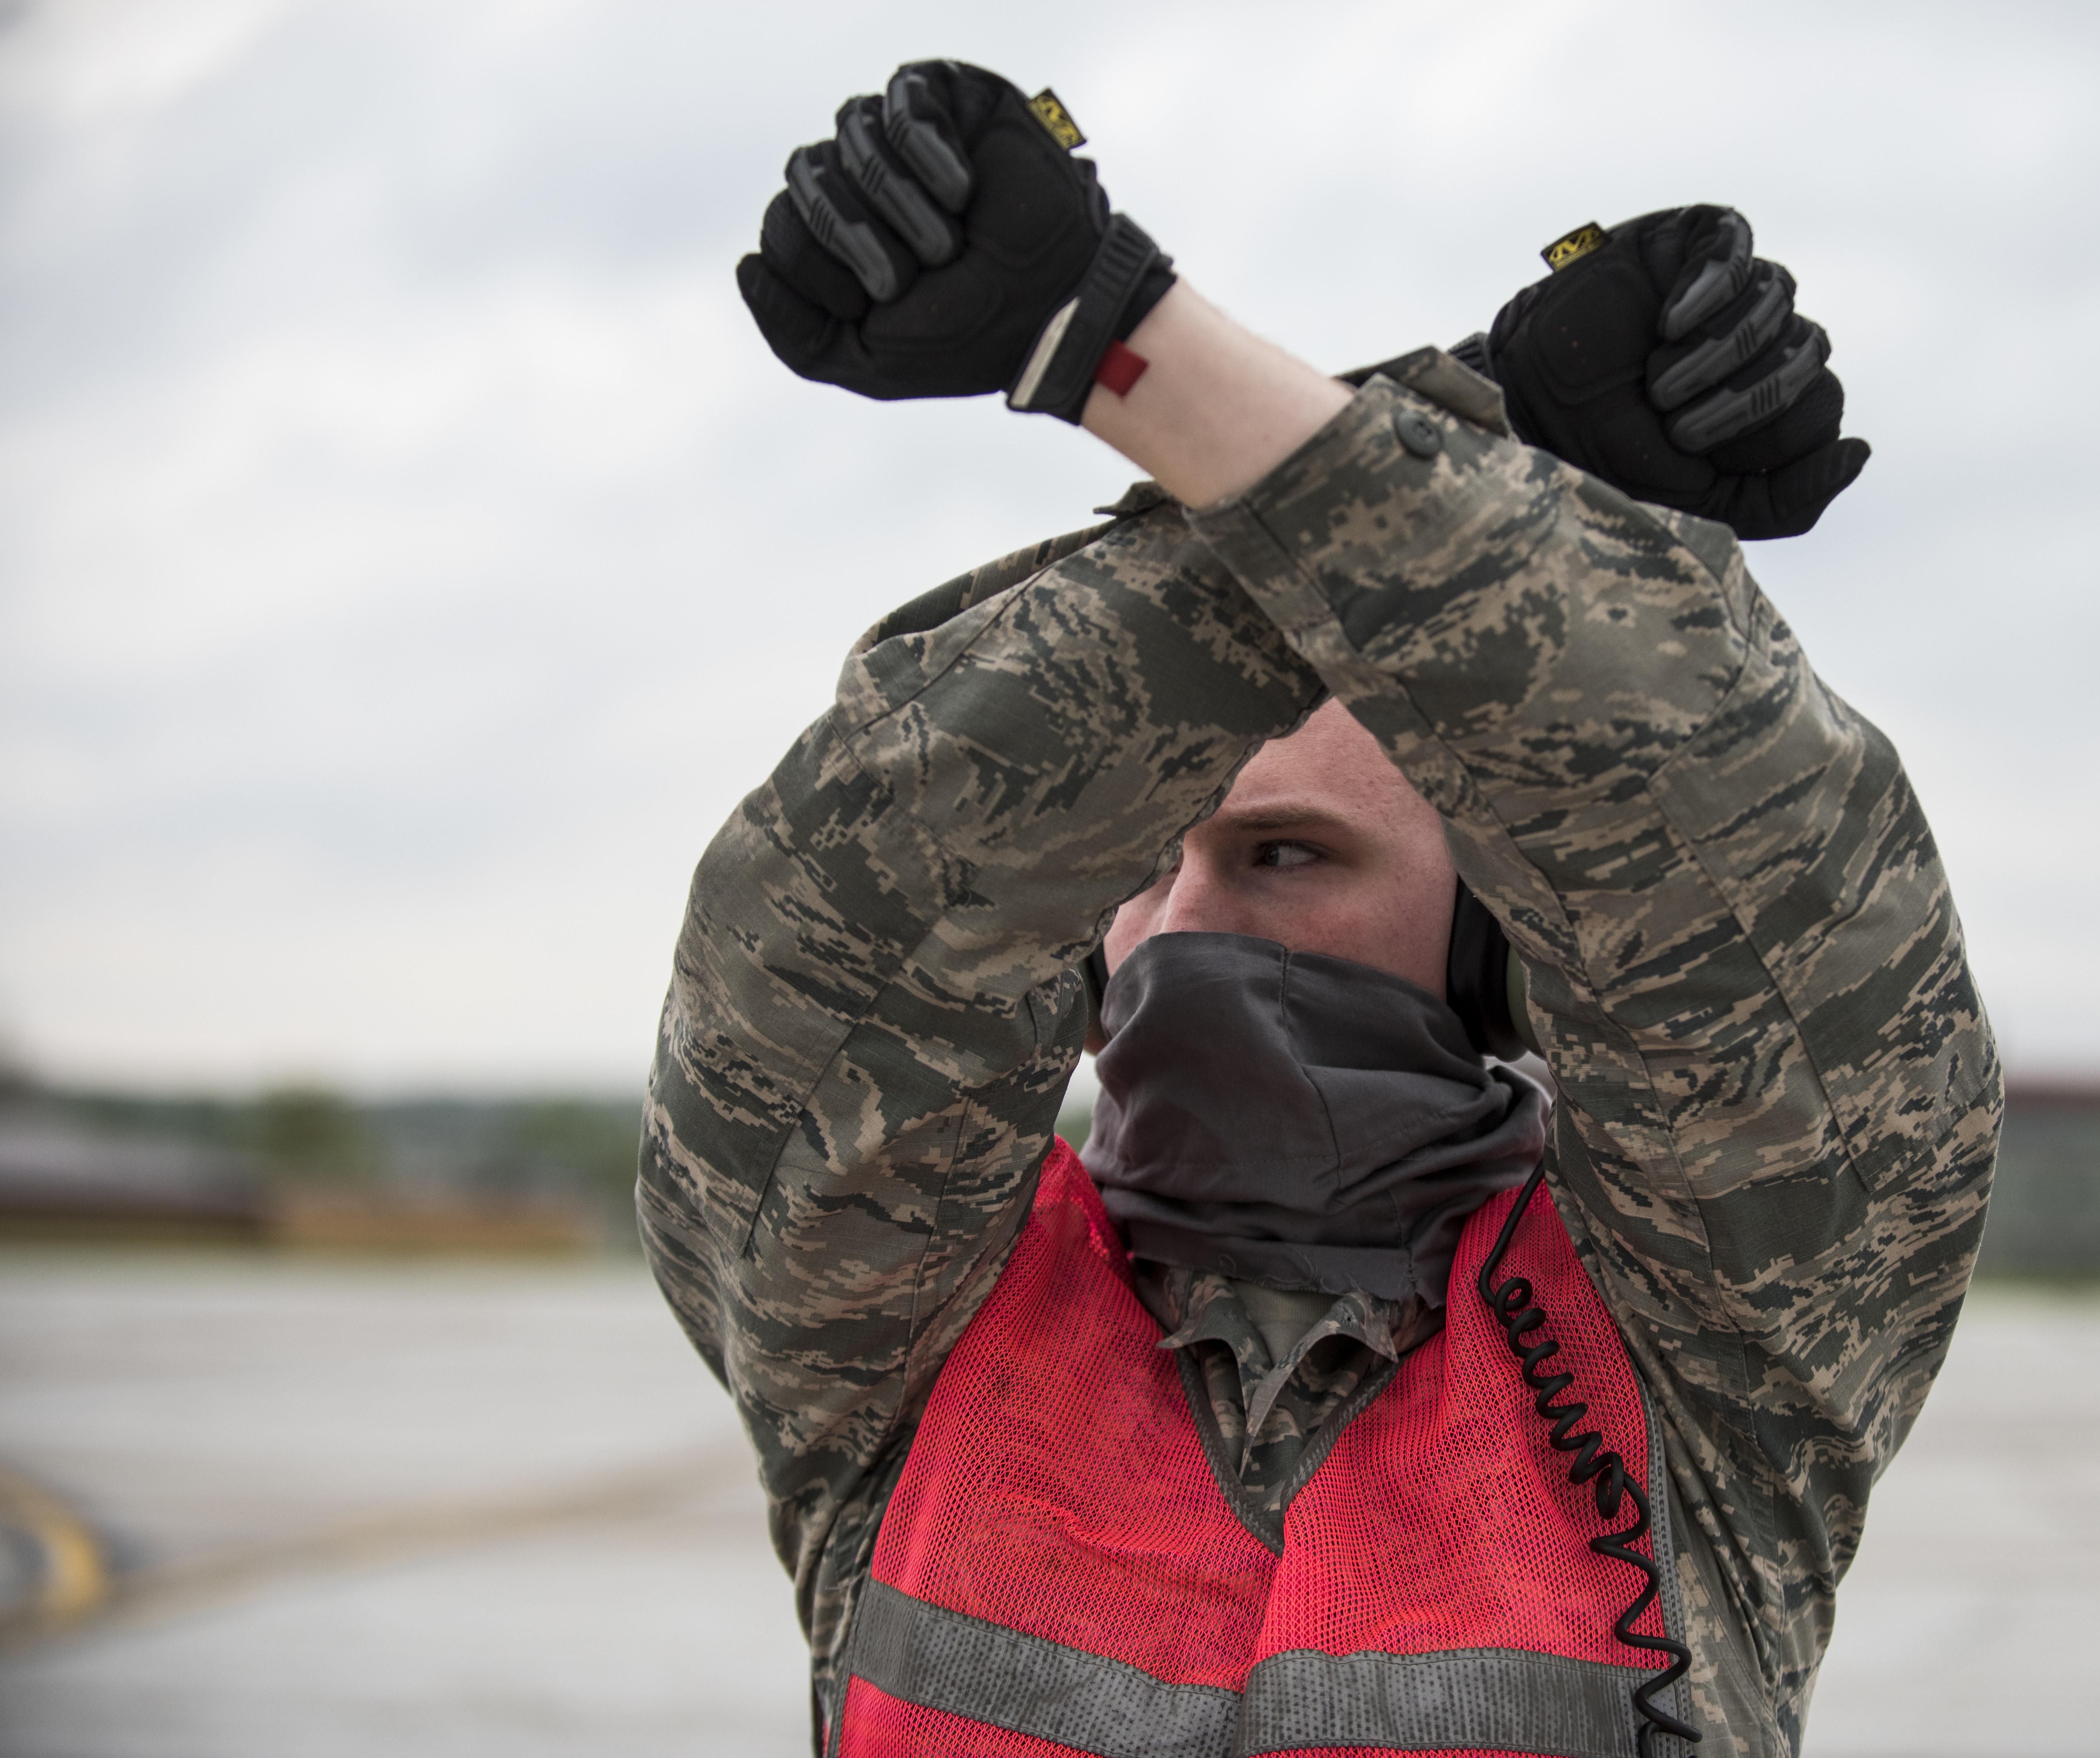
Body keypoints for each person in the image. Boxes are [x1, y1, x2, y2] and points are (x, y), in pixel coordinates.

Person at [640, 60, 1999, 1758]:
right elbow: (862, 884)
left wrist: (1124, 343)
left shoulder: (1720, 1356)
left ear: (1503, 933)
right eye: (1137, 863)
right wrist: (1485, 426)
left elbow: (1749, 878)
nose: (1190, 921)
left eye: (1288, 854)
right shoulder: (889, 1319)